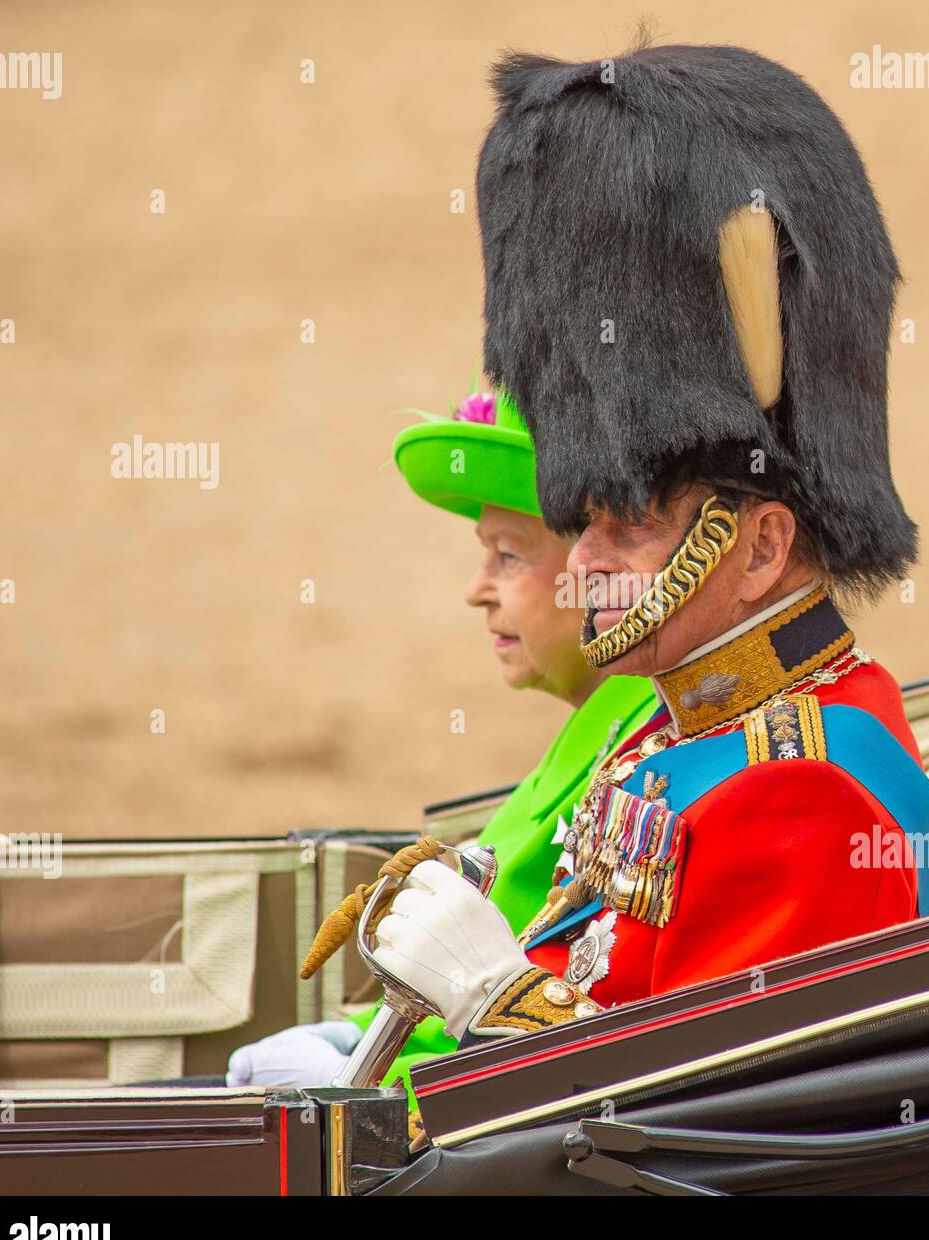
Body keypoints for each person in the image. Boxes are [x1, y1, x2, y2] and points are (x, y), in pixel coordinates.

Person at [354, 42, 929, 1048]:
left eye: (627, 523)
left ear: (762, 546)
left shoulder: (801, 792)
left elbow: (702, 1123)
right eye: (583, 519)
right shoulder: (672, 729)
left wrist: (490, 999)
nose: (582, 561)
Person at [225, 389, 657, 1089]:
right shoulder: (604, 722)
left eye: (509, 555)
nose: (476, 588)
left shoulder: (644, 735)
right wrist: (358, 1037)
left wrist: (372, 1081)